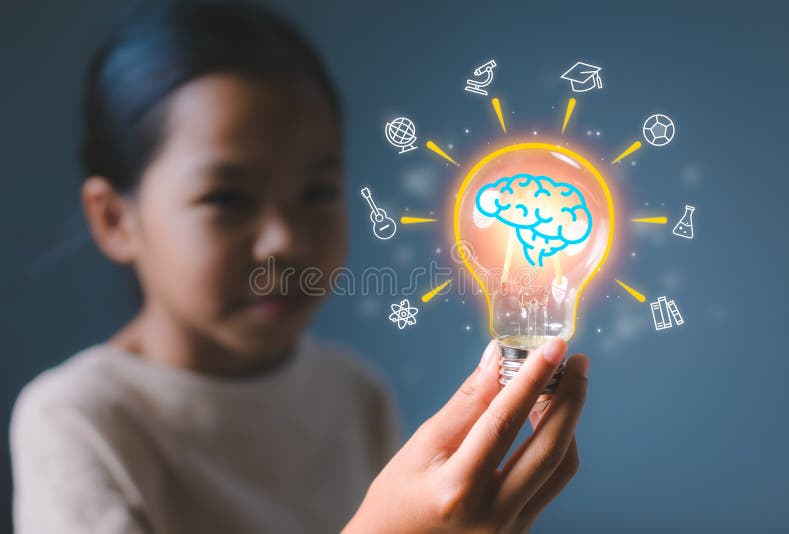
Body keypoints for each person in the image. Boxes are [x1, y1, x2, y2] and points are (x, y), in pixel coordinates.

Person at [10, 2, 590, 533]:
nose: (284, 241)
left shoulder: (356, 395)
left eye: (317, 192)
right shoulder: (76, 421)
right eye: (227, 199)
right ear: (115, 219)